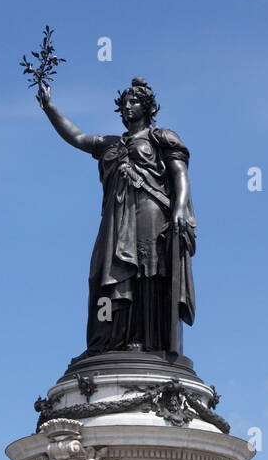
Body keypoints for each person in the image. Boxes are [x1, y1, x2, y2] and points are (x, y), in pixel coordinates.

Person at [37, 76, 196, 355]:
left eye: (133, 101)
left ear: (147, 107)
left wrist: (180, 207)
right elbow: (77, 137)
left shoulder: (161, 138)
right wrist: (50, 108)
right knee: (104, 275)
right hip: (115, 219)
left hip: (150, 212)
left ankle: (146, 341)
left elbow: (180, 176)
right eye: (124, 102)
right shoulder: (110, 144)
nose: (127, 106)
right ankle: (109, 341)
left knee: (147, 273)